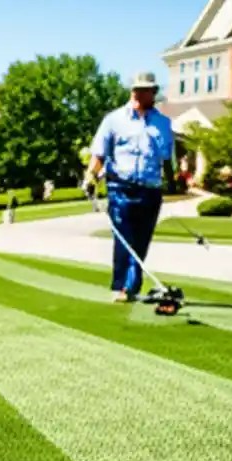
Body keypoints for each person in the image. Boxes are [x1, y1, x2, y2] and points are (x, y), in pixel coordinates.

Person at [84, 72, 176, 302]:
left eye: (144, 90)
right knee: (124, 238)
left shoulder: (163, 124)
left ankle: (132, 287)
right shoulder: (113, 120)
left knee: (141, 241)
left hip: (150, 189)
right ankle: (122, 287)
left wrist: (173, 184)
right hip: (120, 187)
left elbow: (167, 159)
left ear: (153, 93)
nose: (138, 94)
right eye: (135, 89)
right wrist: (91, 177)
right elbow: (99, 153)